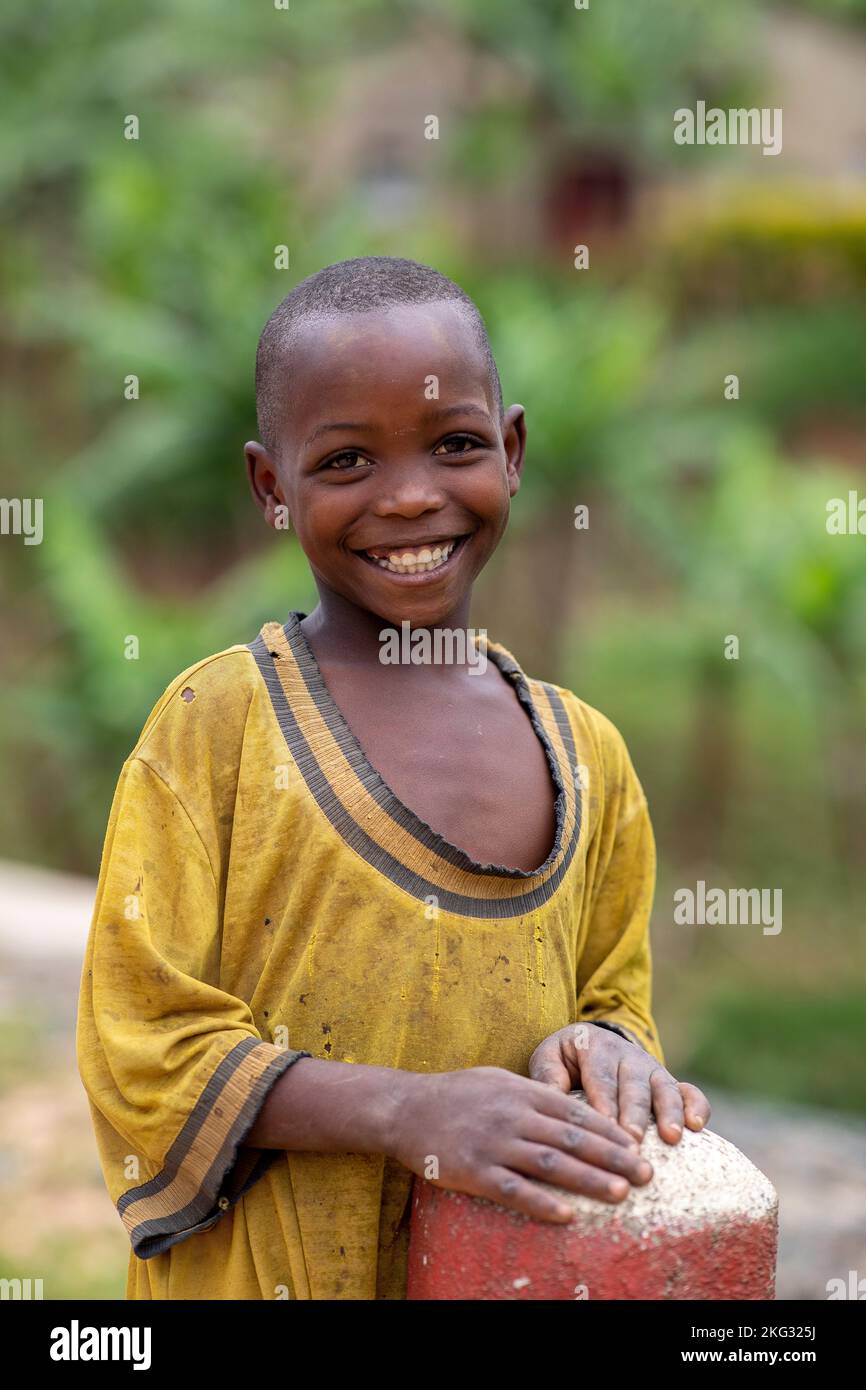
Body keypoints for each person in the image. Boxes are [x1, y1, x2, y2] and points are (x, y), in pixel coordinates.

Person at [77, 256, 710, 1301]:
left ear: (510, 452)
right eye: (345, 462)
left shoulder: (589, 756)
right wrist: (407, 1113)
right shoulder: (216, 730)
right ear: (271, 487)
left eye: (454, 445)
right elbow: (139, 1042)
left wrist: (607, 1051)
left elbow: (612, 997)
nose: (411, 496)